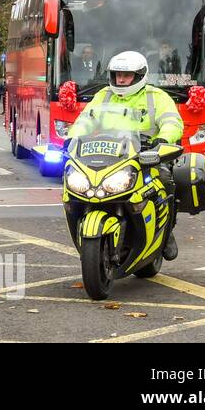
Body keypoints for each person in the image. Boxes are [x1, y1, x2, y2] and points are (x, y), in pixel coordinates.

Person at [66, 51, 185, 259]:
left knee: (165, 180)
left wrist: (163, 140)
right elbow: (86, 119)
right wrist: (72, 137)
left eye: (126, 75)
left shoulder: (156, 97)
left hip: (145, 156)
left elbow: (172, 122)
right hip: (108, 155)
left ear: (139, 76)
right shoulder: (104, 95)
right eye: (117, 74)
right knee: (76, 184)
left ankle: (166, 233)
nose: (120, 79)